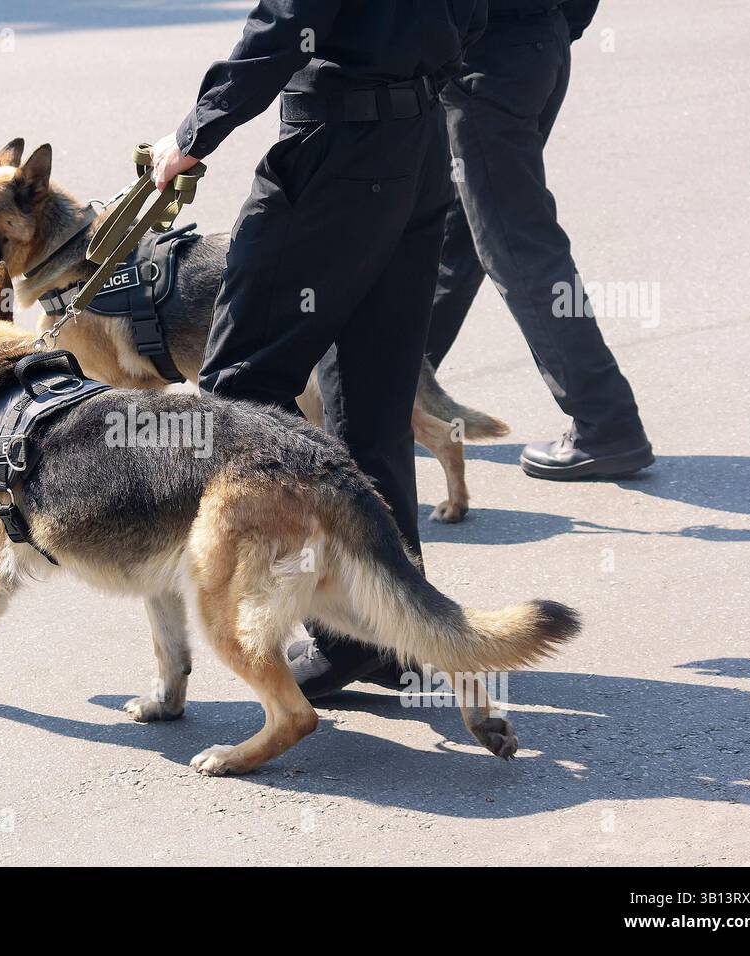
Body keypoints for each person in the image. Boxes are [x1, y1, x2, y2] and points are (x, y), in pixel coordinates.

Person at [149, 0, 487, 699]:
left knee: (241, 390)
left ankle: (348, 631)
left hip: (340, 151)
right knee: (372, 405)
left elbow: (288, 22)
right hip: (418, 148)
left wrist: (195, 131)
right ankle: (398, 636)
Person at [425, 0, 654, 480]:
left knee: (518, 249)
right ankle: (397, 397)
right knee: (461, 236)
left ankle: (607, 423)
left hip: (487, 60)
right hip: (534, 44)